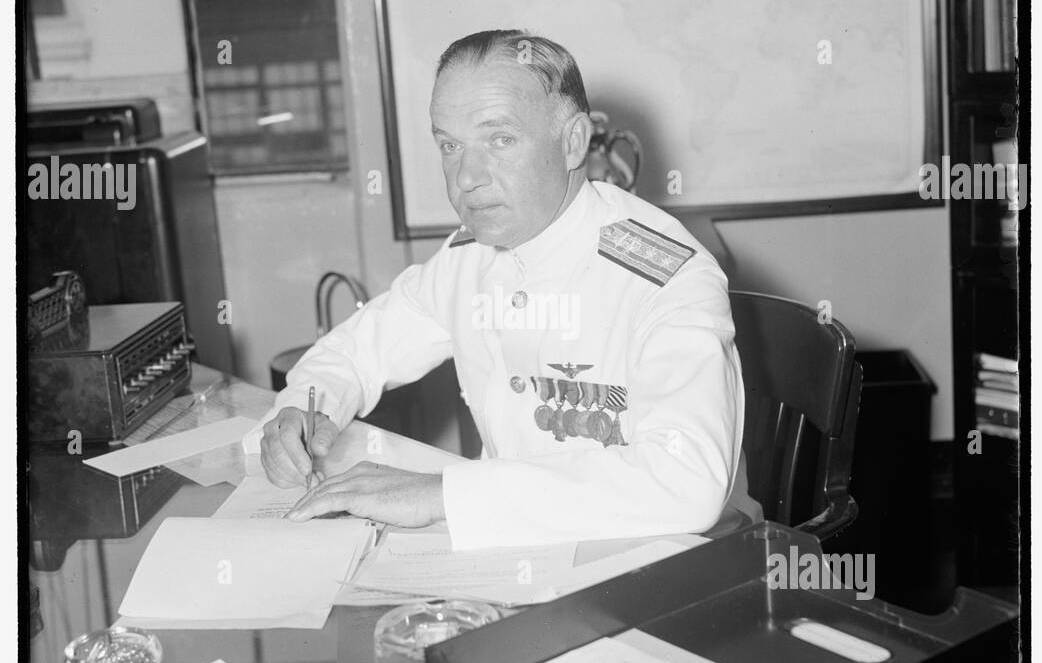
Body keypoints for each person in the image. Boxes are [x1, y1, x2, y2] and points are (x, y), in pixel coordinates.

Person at [254, 30, 759, 549]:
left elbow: (685, 484)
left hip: (663, 560)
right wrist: (298, 412)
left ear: (573, 142)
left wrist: (438, 496)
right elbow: (358, 351)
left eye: (500, 140)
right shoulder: (470, 257)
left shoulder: (664, 274)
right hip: (518, 552)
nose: (466, 178)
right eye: (450, 146)